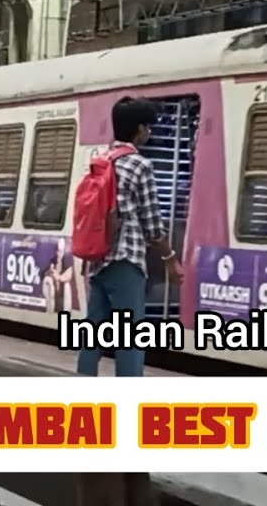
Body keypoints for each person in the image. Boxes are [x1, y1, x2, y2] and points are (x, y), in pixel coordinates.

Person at [76, 97, 182, 378]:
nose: (149, 132)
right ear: (138, 129)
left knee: (93, 330)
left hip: (98, 257)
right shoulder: (140, 165)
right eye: (148, 127)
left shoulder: (99, 160)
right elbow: (152, 224)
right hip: (127, 260)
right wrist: (170, 258)